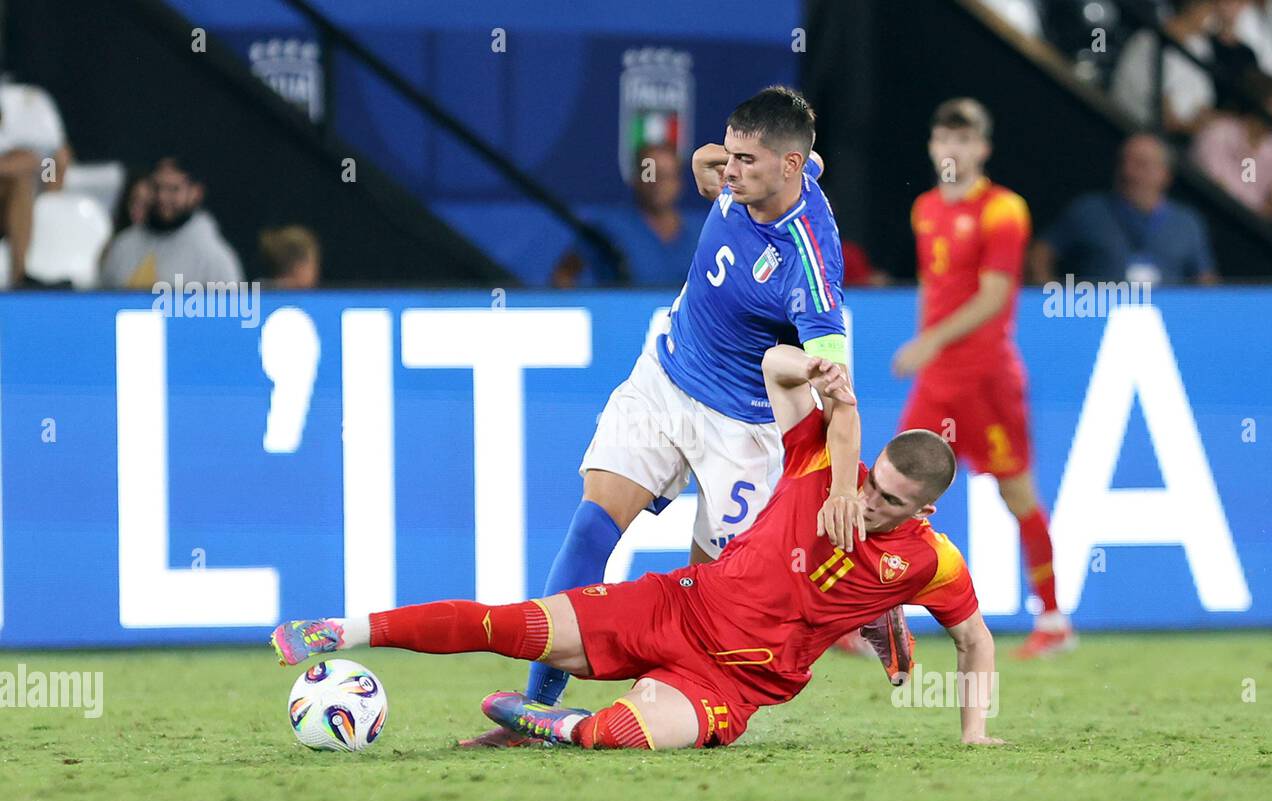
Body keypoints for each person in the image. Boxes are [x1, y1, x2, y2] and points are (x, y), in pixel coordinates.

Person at [271, 348, 1004, 749]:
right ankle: (340, 630)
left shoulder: (931, 562)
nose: (868, 502)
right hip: (677, 607)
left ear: (925, 511)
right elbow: (773, 367)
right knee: (509, 624)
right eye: (872, 483)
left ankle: (552, 726)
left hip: (733, 685)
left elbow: (976, 641)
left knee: (616, 736)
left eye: (889, 502)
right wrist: (814, 369)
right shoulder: (821, 462)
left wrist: (974, 734)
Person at [459, 86, 855, 746]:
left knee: (707, 597)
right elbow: (716, 164)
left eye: (746, 161)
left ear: (789, 167)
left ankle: (665, 708)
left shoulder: (811, 267)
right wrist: (708, 161)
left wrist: (842, 490)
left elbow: (840, 397)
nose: (730, 170)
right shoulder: (776, 167)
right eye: (730, 154)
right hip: (667, 378)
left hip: (742, 428)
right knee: (591, 528)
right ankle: (534, 714)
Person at [893, 98, 1072, 661]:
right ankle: (871, 616)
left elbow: (995, 296)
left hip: (988, 379)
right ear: (932, 146)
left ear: (983, 149)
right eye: (945, 138)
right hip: (937, 380)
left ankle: (1053, 618)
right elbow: (931, 283)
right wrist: (926, 342)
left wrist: (930, 342)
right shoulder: (925, 208)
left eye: (965, 139)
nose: (953, 149)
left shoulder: (1003, 210)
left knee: (1017, 493)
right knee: (891, 487)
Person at [1028, 133, 1218, 285]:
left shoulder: (1187, 223)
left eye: (1141, 165)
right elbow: (1039, 255)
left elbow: (1205, 280)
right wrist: (1054, 304)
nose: (1128, 172)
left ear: (1165, 175)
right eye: (1123, 162)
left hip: (1163, 319)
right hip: (1096, 316)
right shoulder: (1088, 211)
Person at [551, 143, 707, 287]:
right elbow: (564, 274)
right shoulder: (609, 227)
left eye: (666, 175)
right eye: (650, 173)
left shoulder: (702, 230)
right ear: (635, 179)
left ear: (679, 182)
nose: (658, 183)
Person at [99, 156, 243, 288]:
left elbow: (232, 306)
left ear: (196, 193)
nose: (162, 197)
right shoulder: (123, 246)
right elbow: (101, 302)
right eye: (156, 187)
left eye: (173, 189)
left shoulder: (213, 257)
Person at [1192, 72, 1272, 221]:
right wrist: (1257, 209)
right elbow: (1215, 185)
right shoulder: (1220, 132)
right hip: (1209, 213)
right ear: (1265, 101)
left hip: (1249, 226)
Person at [0, 80, 72, 286]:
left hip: (20, 195)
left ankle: (19, 277)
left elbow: (50, 163)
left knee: (23, 181)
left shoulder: (43, 149)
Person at [1111, 0, 1218, 136]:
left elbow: (1205, 104)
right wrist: (1191, 127)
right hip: (1132, 129)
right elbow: (1166, 118)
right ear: (1193, 8)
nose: (1214, 16)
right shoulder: (1148, 40)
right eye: (1210, 9)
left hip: (1183, 136)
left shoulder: (1201, 47)